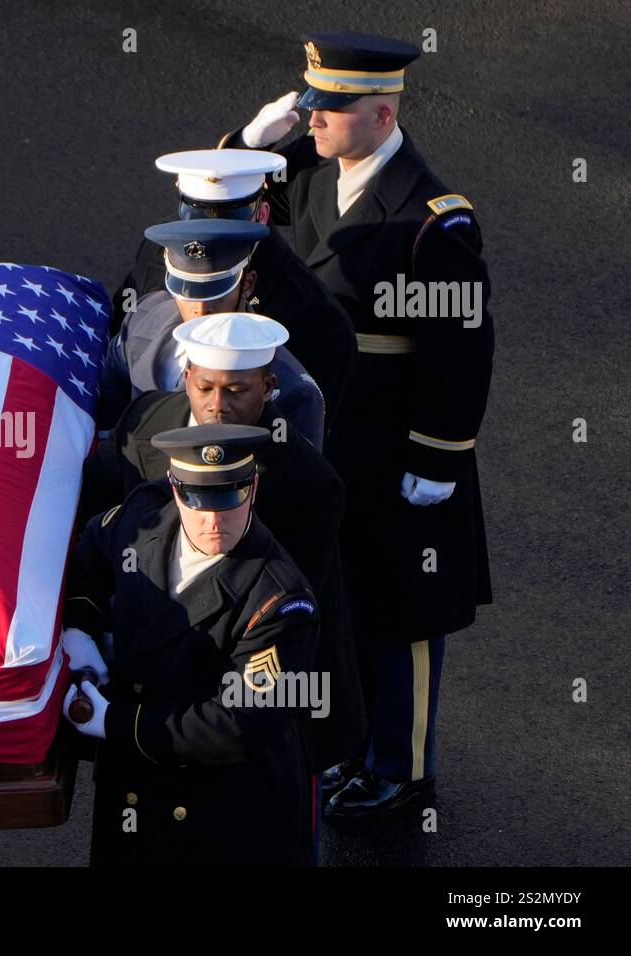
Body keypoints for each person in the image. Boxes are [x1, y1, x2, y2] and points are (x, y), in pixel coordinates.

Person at [223, 32, 494, 817]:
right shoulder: (310, 177)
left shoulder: (431, 217)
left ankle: (402, 768)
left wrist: (439, 456)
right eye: (310, 104)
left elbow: (460, 351)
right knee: (345, 593)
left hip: (393, 437)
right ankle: (358, 749)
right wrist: (248, 142)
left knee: (404, 603)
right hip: (324, 427)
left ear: (380, 115)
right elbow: (222, 204)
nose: (312, 120)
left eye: (329, 109)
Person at [62, 424, 319, 866]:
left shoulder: (281, 600)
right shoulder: (142, 518)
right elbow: (92, 548)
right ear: (175, 489)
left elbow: (238, 722)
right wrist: (80, 627)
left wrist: (117, 723)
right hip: (137, 792)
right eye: (198, 499)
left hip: (222, 812)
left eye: (230, 496)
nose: (214, 518)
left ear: (253, 486)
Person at [113, 148, 354, 432]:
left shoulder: (311, 313)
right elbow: (124, 335)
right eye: (196, 215)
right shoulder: (157, 253)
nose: (209, 234)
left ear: (262, 214)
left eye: (229, 221)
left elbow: (310, 432)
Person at [99, 218, 325, 448]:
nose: (199, 306)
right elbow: (113, 380)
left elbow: (298, 478)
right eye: (185, 288)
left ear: (247, 285)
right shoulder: (145, 316)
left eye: (215, 290)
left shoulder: (293, 391)